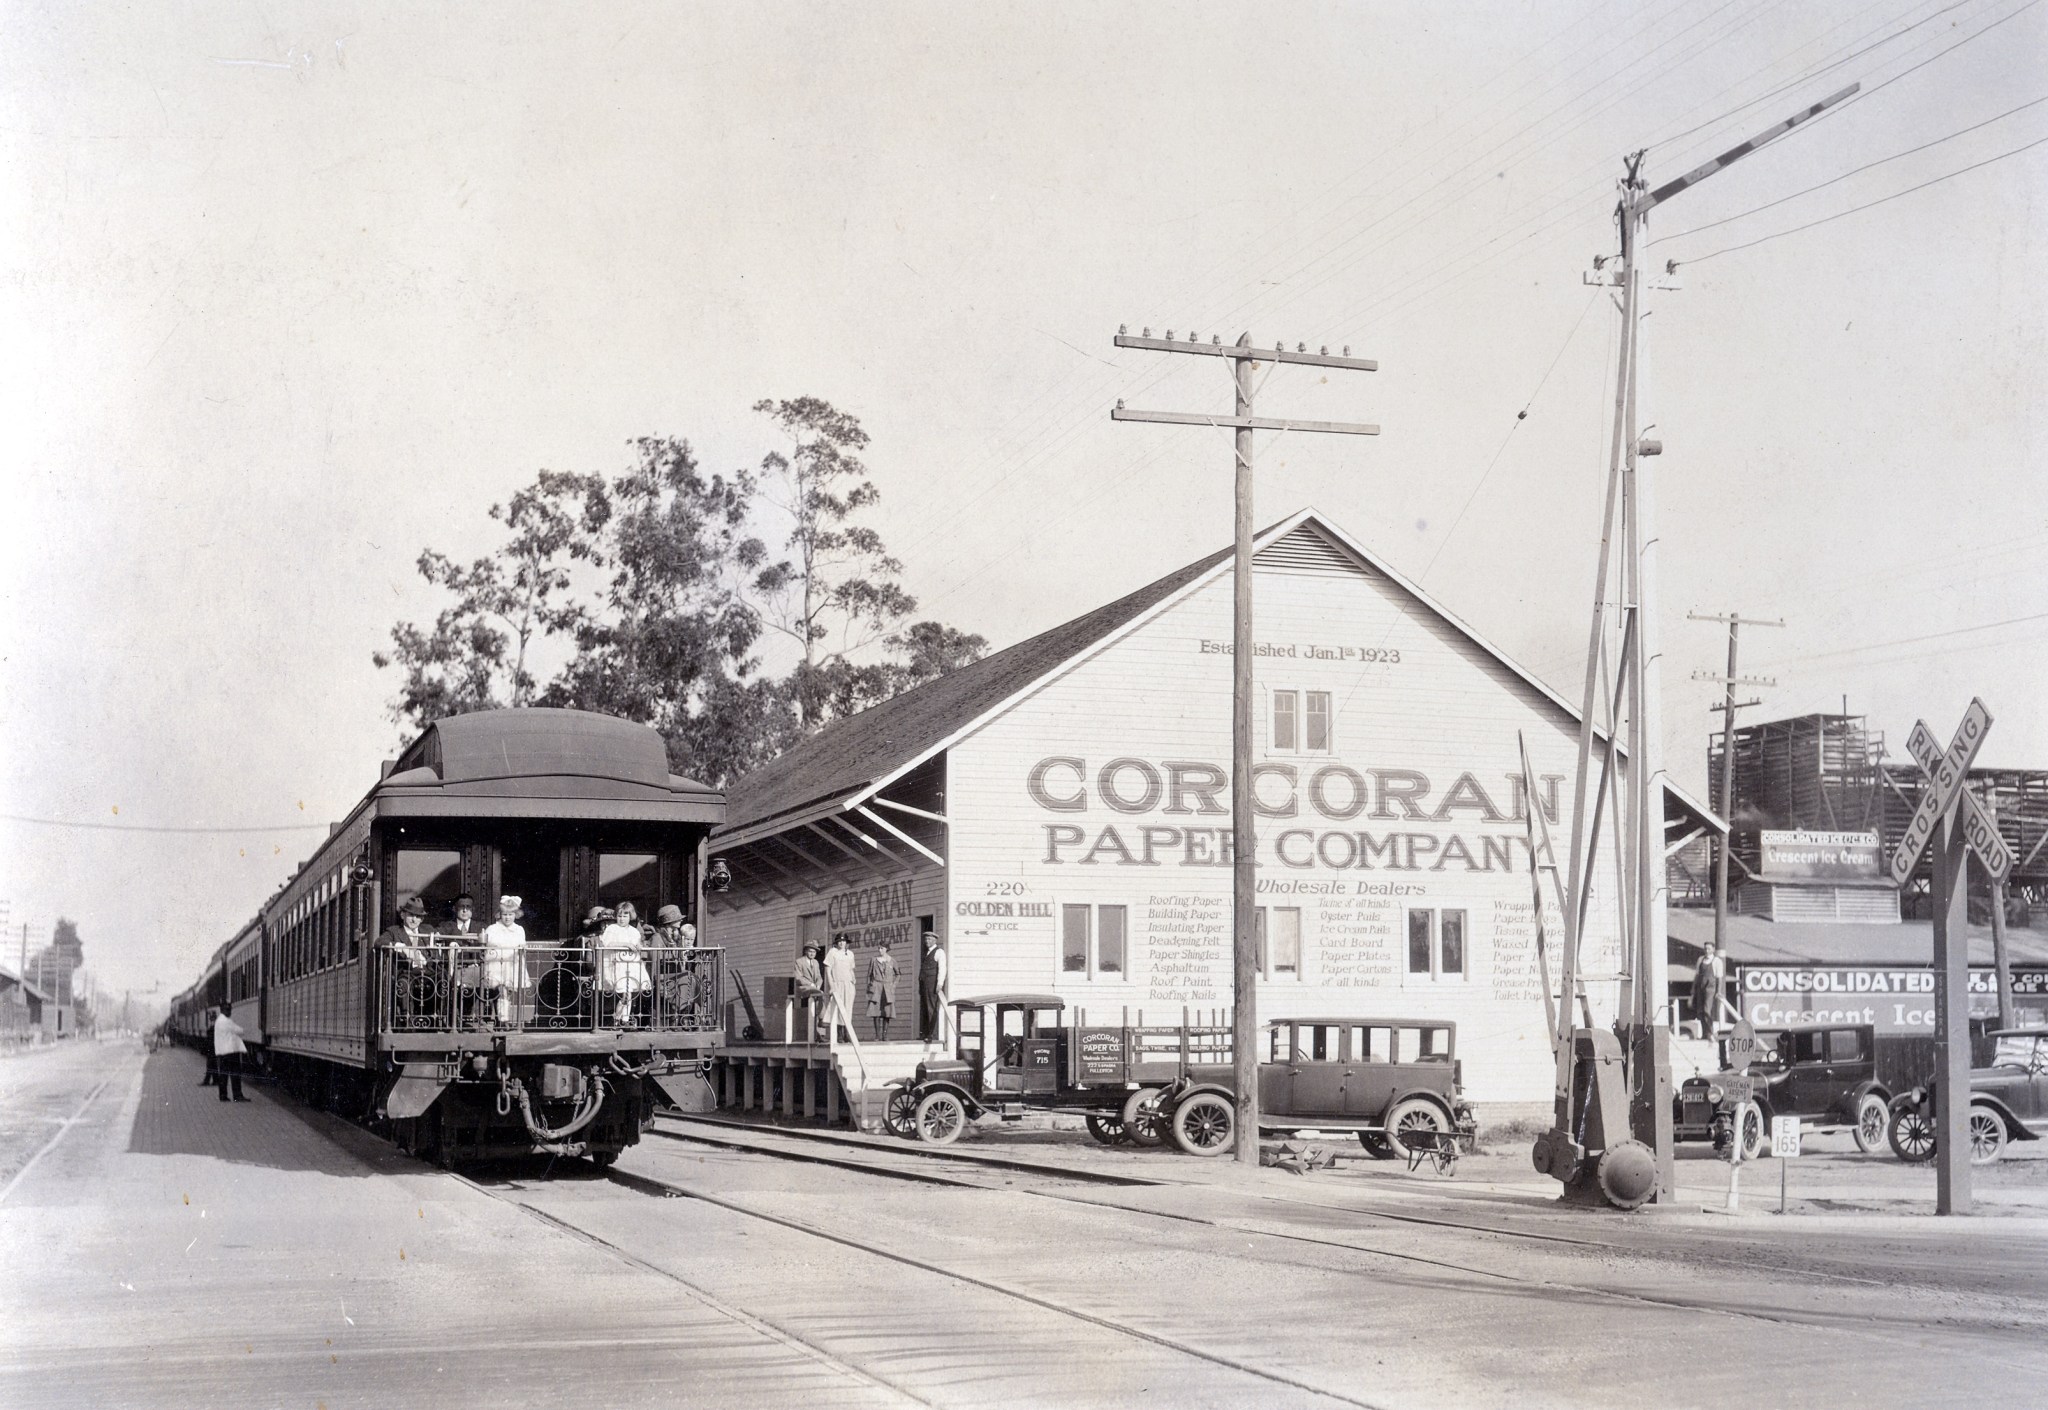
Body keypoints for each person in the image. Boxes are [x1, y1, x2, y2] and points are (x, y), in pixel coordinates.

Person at [380, 898, 435, 1028]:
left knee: (443, 979)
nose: (413, 919)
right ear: (403, 915)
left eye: (417, 917)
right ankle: (407, 1020)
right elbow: (379, 942)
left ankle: (439, 1019)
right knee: (403, 984)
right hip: (407, 972)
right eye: (411, 915)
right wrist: (399, 945)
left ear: (421, 919)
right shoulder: (394, 931)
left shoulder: (427, 930)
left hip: (427, 972)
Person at [600, 901, 652, 1027]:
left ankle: (622, 1020)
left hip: (631, 965)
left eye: (625, 916)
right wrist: (626, 944)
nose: (622, 919)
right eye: (619, 916)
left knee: (629, 993)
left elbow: (637, 943)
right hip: (617, 965)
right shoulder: (612, 929)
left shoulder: (634, 931)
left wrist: (639, 946)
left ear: (630, 917)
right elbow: (608, 944)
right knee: (625, 994)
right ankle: (619, 1020)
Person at [482, 895, 527, 1027]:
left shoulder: (519, 929)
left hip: (512, 964)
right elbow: (489, 946)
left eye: (510, 914)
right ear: (499, 915)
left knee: (508, 993)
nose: (507, 917)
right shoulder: (493, 928)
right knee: (501, 991)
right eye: (505, 914)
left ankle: (502, 1019)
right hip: (496, 964)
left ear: (515, 915)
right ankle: (502, 1020)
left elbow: (521, 945)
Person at [212, 1001, 250, 1102]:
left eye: (230, 1009)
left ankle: (223, 1096)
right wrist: (244, 1029)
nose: (230, 1011)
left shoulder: (219, 1020)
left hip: (223, 1052)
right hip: (231, 1052)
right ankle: (237, 1095)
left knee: (223, 1074)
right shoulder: (226, 1021)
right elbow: (239, 1030)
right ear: (222, 1010)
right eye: (228, 1009)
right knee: (235, 1073)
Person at [823, 933, 857, 1044]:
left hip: (848, 984)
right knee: (838, 1009)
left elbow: (851, 969)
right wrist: (832, 985)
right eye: (839, 941)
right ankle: (839, 1035)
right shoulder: (832, 952)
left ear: (846, 943)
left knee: (848, 1009)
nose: (842, 943)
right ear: (836, 942)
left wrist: (853, 979)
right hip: (837, 984)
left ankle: (847, 1034)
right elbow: (828, 971)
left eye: (844, 941)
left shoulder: (850, 954)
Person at [918, 931, 947, 1049]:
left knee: (931, 1008)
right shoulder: (927, 953)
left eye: (929, 939)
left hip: (932, 984)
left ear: (935, 940)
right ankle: (925, 1033)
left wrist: (939, 983)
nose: (927, 941)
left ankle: (931, 1034)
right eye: (926, 939)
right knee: (925, 1008)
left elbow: (942, 968)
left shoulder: (939, 952)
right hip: (924, 984)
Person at [1692, 940, 1727, 1036]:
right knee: (1700, 1011)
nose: (1706, 951)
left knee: (1707, 1010)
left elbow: (1719, 978)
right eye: (1705, 949)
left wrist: (1718, 991)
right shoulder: (1700, 959)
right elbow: (1697, 975)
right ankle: (1704, 1033)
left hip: (1710, 988)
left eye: (1709, 949)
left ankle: (1710, 1033)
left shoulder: (1717, 961)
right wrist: (1693, 990)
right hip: (1700, 987)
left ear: (1713, 949)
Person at [866, 942, 897, 1043]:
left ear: (886, 949)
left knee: (887, 1012)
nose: (880, 950)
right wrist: (870, 987)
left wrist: (893, 985)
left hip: (887, 988)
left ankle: (885, 1034)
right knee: (876, 1012)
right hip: (876, 987)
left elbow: (898, 974)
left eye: (882, 948)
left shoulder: (892, 961)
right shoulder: (874, 960)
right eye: (878, 948)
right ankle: (877, 1035)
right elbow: (869, 974)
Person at [793, 943, 825, 1039]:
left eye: (814, 952)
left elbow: (819, 977)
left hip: (814, 989)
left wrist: (818, 984)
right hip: (803, 988)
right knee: (819, 995)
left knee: (814, 1007)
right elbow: (798, 978)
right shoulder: (799, 961)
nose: (812, 954)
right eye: (810, 951)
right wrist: (811, 985)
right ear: (806, 951)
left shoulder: (815, 962)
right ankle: (822, 1018)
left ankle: (818, 1031)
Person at [199, 1006, 220, 1086]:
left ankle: (207, 1081)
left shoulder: (214, 1025)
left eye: (211, 1016)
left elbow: (211, 1038)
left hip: (212, 1048)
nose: (210, 1018)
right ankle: (215, 1080)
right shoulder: (214, 1025)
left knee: (210, 1065)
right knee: (213, 1065)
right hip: (213, 1048)